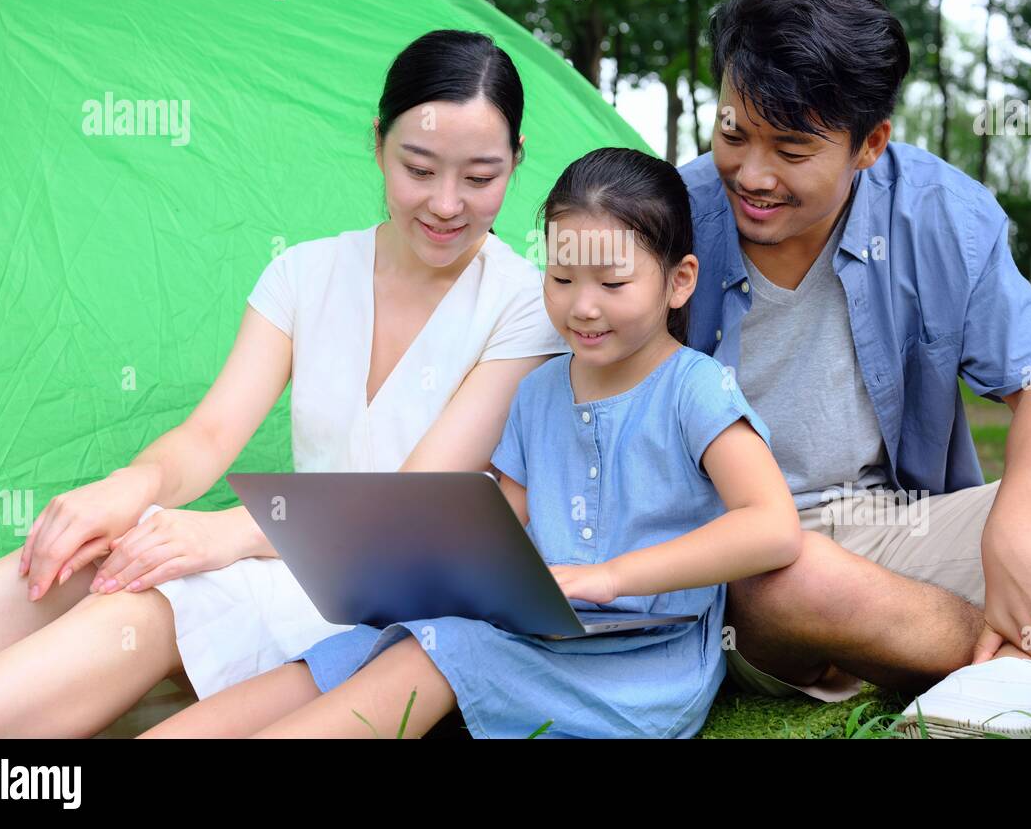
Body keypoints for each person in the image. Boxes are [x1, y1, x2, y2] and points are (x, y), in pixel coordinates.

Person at [0, 29, 573, 738]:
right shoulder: (305, 273)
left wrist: (228, 532)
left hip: (394, 592)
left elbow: (413, 502)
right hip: (284, 555)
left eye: (480, 177)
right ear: (378, 142)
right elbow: (208, 436)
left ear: (516, 161)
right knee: (106, 547)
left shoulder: (526, 305)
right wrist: (126, 489)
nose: (447, 203)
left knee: (150, 592)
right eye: (418, 168)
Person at [678, 0, 1031, 737]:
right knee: (785, 578)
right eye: (733, 133)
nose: (752, 174)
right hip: (750, 560)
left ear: (870, 143)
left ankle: (1010, 681)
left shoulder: (937, 211)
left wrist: (1016, 536)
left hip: (902, 531)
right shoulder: (667, 219)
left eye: (792, 148)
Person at [139, 147, 801, 739]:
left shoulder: (695, 388)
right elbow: (504, 519)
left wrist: (610, 576)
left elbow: (771, 527)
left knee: (434, 652)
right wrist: (416, 567)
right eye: (563, 279)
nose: (583, 306)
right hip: (542, 628)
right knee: (347, 651)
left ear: (679, 281)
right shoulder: (542, 391)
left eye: (613, 283)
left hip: (642, 660)